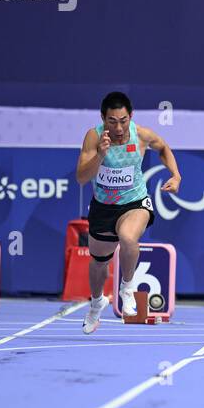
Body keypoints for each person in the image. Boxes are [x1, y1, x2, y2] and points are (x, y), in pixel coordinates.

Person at [75, 91, 181, 335]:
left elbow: (163, 147)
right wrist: (100, 154)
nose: (119, 127)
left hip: (134, 202)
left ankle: (127, 287)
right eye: (112, 122)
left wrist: (176, 175)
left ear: (130, 117)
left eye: (123, 121)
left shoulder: (141, 134)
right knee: (99, 264)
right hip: (103, 207)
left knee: (128, 237)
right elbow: (82, 177)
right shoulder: (93, 137)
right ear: (103, 119)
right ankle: (96, 303)